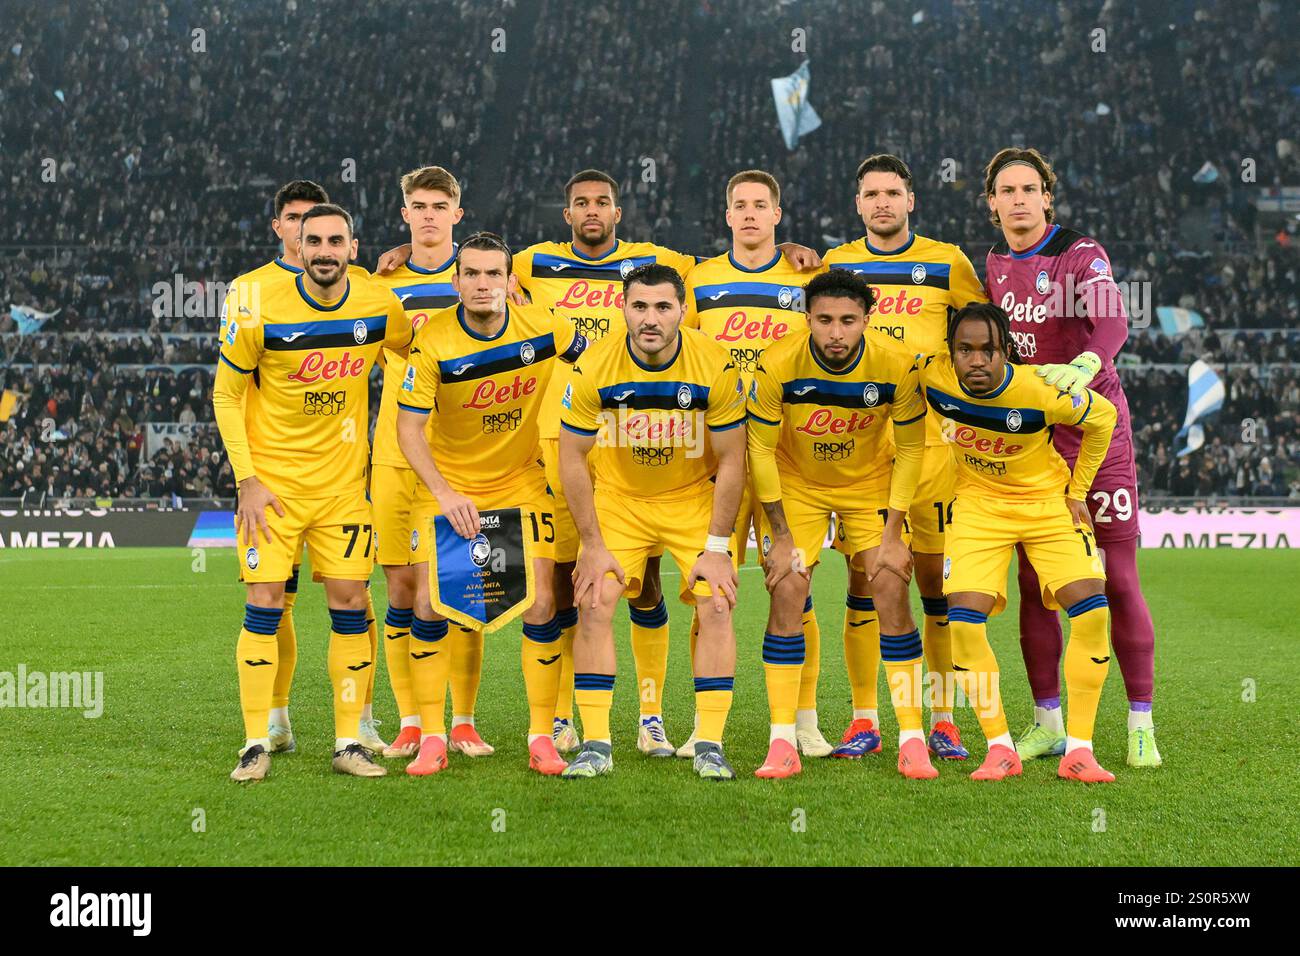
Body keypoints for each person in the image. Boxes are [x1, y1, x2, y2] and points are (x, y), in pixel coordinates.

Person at [214, 203, 413, 781]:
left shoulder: (378, 302)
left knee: (351, 603)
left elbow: (421, 348)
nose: (325, 250)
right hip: (271, 491)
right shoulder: (259, 309)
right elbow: (226, 396)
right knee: (265, 604)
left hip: (344, 492)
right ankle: (256, 742)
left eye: (336, 240)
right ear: (297, 246)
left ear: (353, 247)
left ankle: (348, 741)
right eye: (314, 240)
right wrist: (247, 480)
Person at [984, 147, 1160, 768]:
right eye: (1007, 190)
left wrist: (1090, 361)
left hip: (1095, 432)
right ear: (992, 203)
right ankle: (1047, 722)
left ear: (1047, 196)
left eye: (1029, 188)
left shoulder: (1082, 254)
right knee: (1036, 583)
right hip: (1033, 440)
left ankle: (1141, 720)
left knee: (1116, 576)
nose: (1019, 199)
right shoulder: (994, 264)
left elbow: (1113, 318)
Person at [395, 232, 588, 777]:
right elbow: (408, 430)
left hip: (521, 483)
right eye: (471, 274)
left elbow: (600, 365)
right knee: (429, 604)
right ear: (456, 282)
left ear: (510, 281)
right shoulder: (431, 343)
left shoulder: (546, 327)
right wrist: (444, 493)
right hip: (448, 486)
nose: (482, 284)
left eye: (493, 275)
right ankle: (434, 735)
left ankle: (541, 735)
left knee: (542, 603)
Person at [819, 154, 990, 762]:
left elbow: (981, 337)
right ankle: (864, 718)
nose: (882, 203)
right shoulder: (837, 264)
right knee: (865, 585)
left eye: (893, 192)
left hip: (938, 450)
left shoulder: (948, 263)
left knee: (935, 589)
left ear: (911, 200)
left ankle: (943, 718)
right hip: (863, 453)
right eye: (871, 194)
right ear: (857, 203)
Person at [558, 263, 747, 780]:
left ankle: (709, 743)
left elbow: (734, 458)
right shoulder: (596, 365)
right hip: (620, 499)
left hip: (691, 500)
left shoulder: (714, 364)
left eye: (663, 306)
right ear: (622, 309)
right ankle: (596, 744)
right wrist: (592, 543)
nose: (650, 318)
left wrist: (716, 545)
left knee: (717, 603)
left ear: (682, 312)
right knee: (594, 600)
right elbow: (572, 457)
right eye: (639, 306)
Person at [920, 302, 1118, 783]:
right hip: (977, 506)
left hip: (1046, 504)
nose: (977, 360)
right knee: (963, 627)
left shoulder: (1039, 390)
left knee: (1092, 613)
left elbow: (1104, 417)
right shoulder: (931, 378)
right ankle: (999, 749)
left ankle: (1081, 750)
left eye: (988, 350)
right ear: (951, 353)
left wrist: (1077, 491)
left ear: (1006, 351)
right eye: (965, 350)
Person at [747, 269, 933, 779]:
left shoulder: (897, 367)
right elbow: (760, 448)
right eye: (824, 320)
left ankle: (912, 739)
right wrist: (781, 536)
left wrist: (894, 534)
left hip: (868, 484)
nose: (835, 332)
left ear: (868, 320)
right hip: (797, 483)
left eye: (848, 321)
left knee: (891, 583)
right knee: (786, 585)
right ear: (807, 318)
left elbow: (912, 450)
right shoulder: (777, 363)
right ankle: (782, 740)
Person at [679, 168, 821, 758]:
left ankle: (803, 722)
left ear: (778, 214)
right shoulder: (701, 280)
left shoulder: (808, 273)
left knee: (796, 585)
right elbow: (679, 355)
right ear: (727, 215)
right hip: (715, 459)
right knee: (712, 588)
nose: (750, 215)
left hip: (787, 457)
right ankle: (703, 724)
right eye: (740, 205)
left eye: (761, 205)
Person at [368, 165, 480, 759]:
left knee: (461, 590)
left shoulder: (485, 278)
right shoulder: (379, 284)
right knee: (403, 588)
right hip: (394, 454)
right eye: (419, 204)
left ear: (458, 215)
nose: (430, 214)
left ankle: (461, 721)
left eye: (441, 205)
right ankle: (412, 720)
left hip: (463, 457)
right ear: (405, 213)